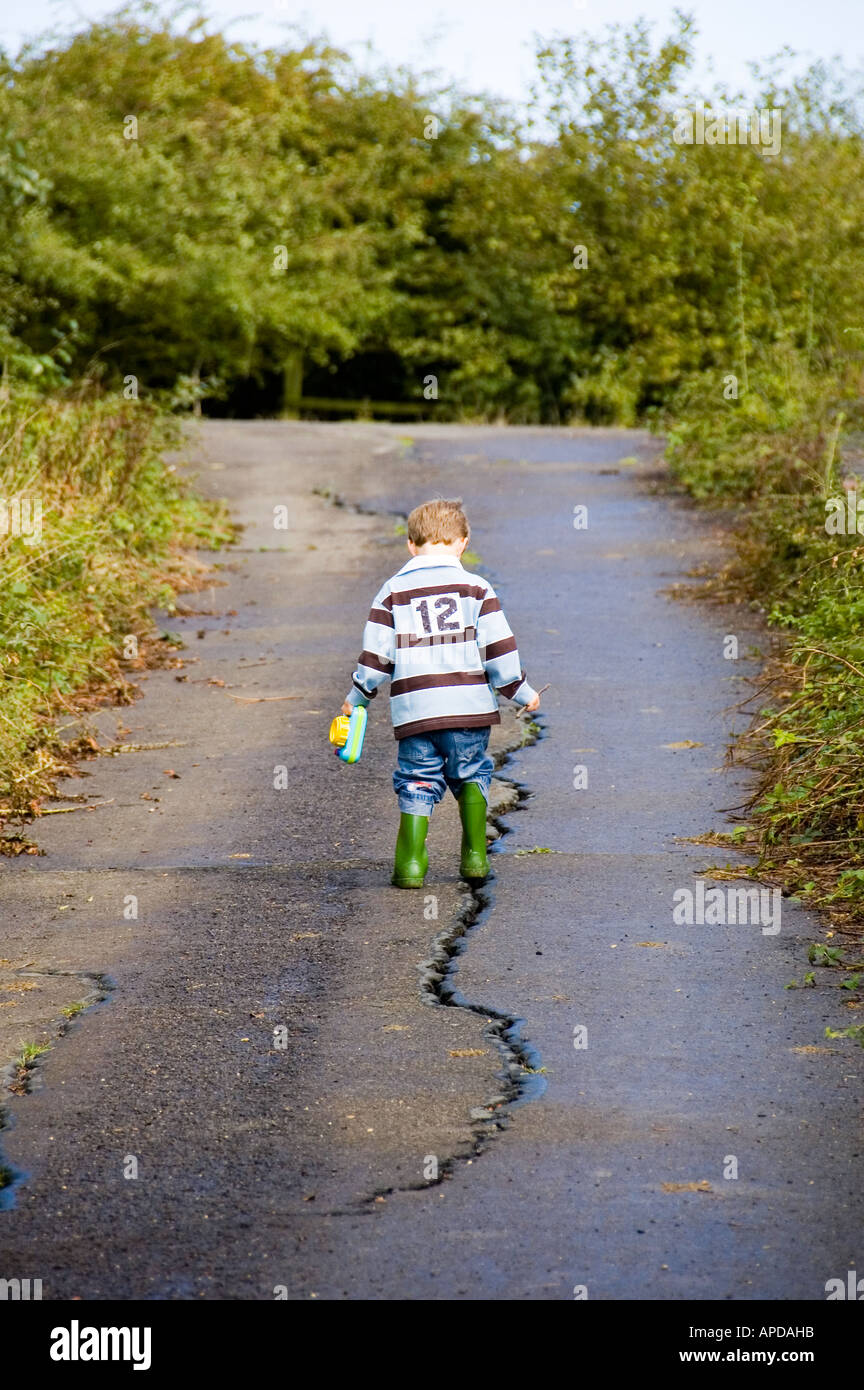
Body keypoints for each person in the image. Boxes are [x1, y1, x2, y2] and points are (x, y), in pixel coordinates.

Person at [340, 497, 540, 888]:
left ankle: (411, 865)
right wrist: (520, 691)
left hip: (416, 713)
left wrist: (357, 697)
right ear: (463, 542)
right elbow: (499, 650)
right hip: (468, 710)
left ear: (411, 544)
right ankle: (475, 856)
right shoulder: (477, 588)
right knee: (470, 774)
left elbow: (376, 658)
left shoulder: (393, 591)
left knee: (416, 778)